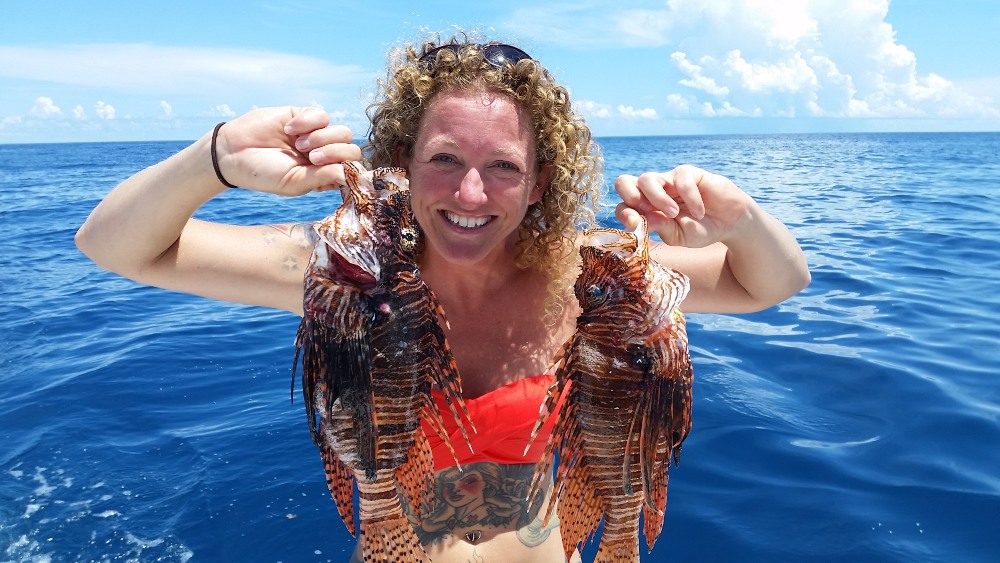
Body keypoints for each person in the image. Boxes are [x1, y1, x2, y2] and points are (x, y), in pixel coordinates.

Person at [75, 34, 809, 563]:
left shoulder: (591, 279)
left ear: (540, 184)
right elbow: (112, 246)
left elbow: (773, 282)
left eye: (503, 166)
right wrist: (216, 161)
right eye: (445, 159)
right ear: (402, 160)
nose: (469, 193)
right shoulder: (345, 273)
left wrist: (739, 220)